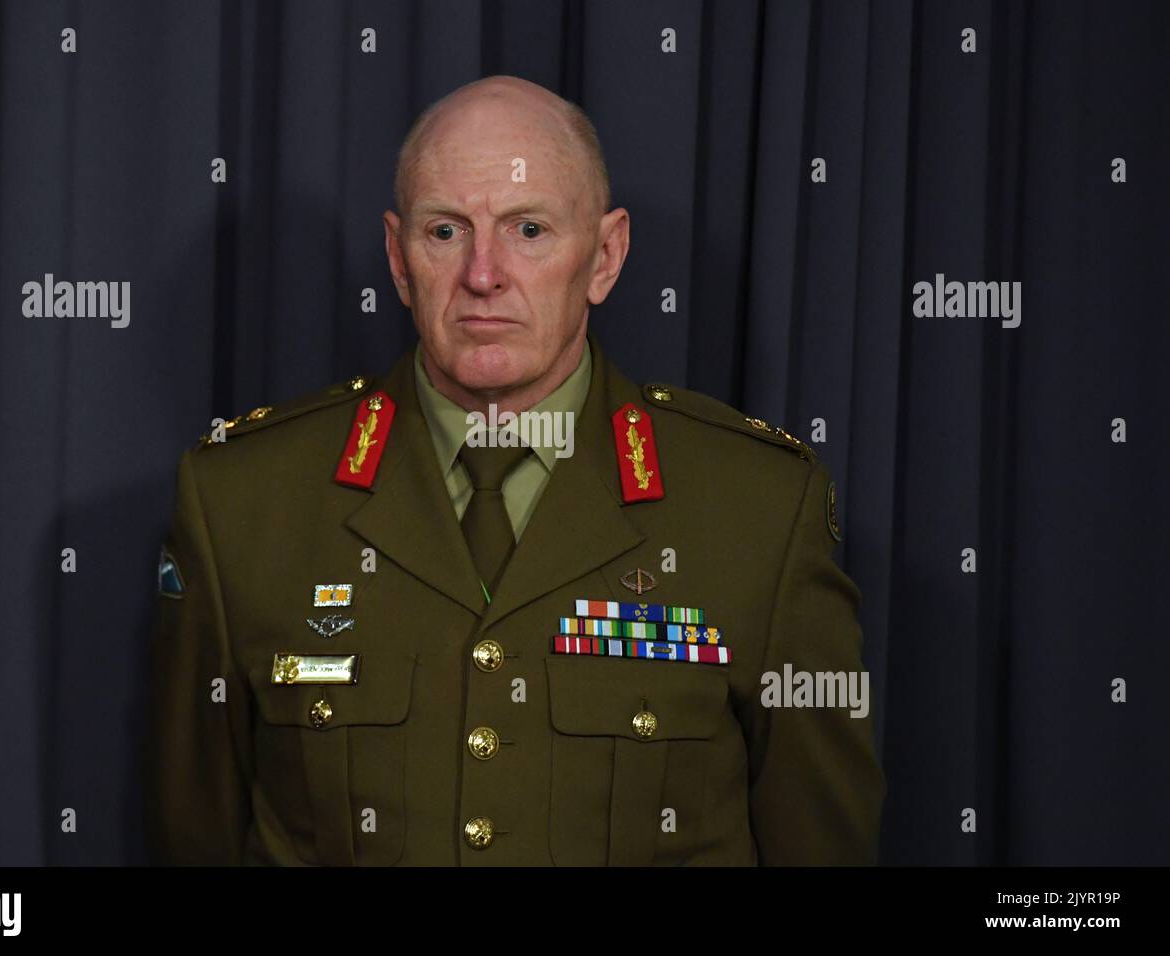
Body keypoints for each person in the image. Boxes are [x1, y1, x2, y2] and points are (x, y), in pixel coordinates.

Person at [143, 75, 884, 866]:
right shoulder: (243, 503)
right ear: (398, 260)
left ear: (605, 256)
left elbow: (821, 843)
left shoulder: (756, 510)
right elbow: (198, 838)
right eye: (445, 232)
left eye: (529, 230)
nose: (484, 274)